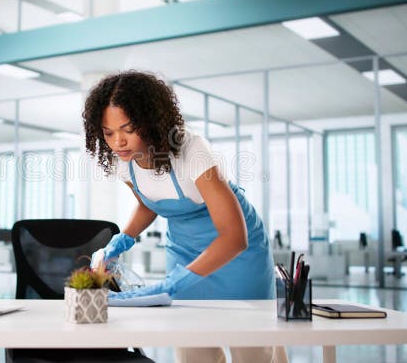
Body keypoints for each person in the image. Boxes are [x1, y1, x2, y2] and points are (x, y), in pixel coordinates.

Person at [84, 70, 287, 363]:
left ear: (149, 120)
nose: (118, 142)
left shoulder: (192, 149)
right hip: (184, 250)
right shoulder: (124, 164)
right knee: (193, 347)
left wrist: (172, 283)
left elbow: (234, 237)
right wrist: (121, 241)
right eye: (108, 133)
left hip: (236, 254)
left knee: (252, 349)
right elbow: (149, 202)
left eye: (128, 129)